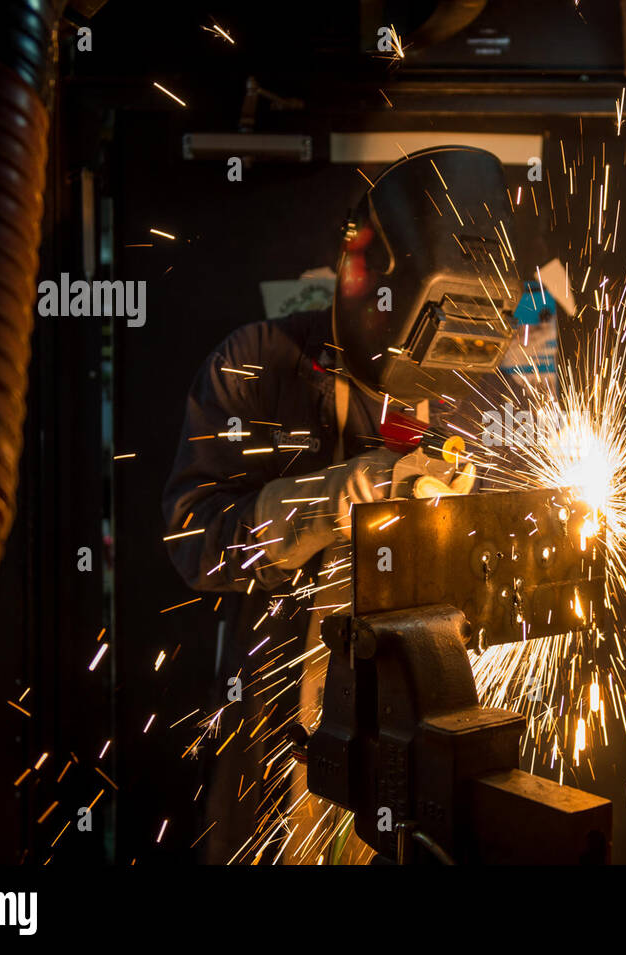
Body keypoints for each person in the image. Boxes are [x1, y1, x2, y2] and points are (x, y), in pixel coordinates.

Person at [161, 146, 520, 862]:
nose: (428, 385)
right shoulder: (256, 364)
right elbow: (192, 542)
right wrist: (333, 499)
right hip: (274, 728)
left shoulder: (465, 389)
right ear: (365, 271)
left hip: (410, 730)